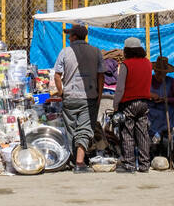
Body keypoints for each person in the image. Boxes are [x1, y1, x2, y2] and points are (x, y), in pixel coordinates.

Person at [52, 24, 102, 173]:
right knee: (85, 128)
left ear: (74, 37)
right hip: (89, 96)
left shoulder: (65, 52)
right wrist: (99, 95)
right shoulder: (96, 51)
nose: (68, 37)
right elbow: (101, 75)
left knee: (71, 129)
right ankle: (79, 163)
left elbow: (57, 75)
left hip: (70, 96)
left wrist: (61, 92)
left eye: (70, 35)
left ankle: (75, 160)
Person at [112, 37, 153, 173]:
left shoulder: (126, 64)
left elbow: (120, 88)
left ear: (127, 50)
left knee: (127, 133)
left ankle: (129, 164)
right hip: (144, 103)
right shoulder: (148, 63)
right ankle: (144, 164)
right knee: (143, 133)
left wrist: (116, 104)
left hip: (129, 103)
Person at [148, 56, 174, 161]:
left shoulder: (171, 82)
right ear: (155, 70)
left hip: (168, 116)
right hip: (152, 116)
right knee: (152, 141)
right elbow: (141, 94)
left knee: (170, 140)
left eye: (163, 73)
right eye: (158, 72)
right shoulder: (148, 80)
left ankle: (171, 158)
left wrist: (165, 99)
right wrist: (150, 95)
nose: (160, 75)